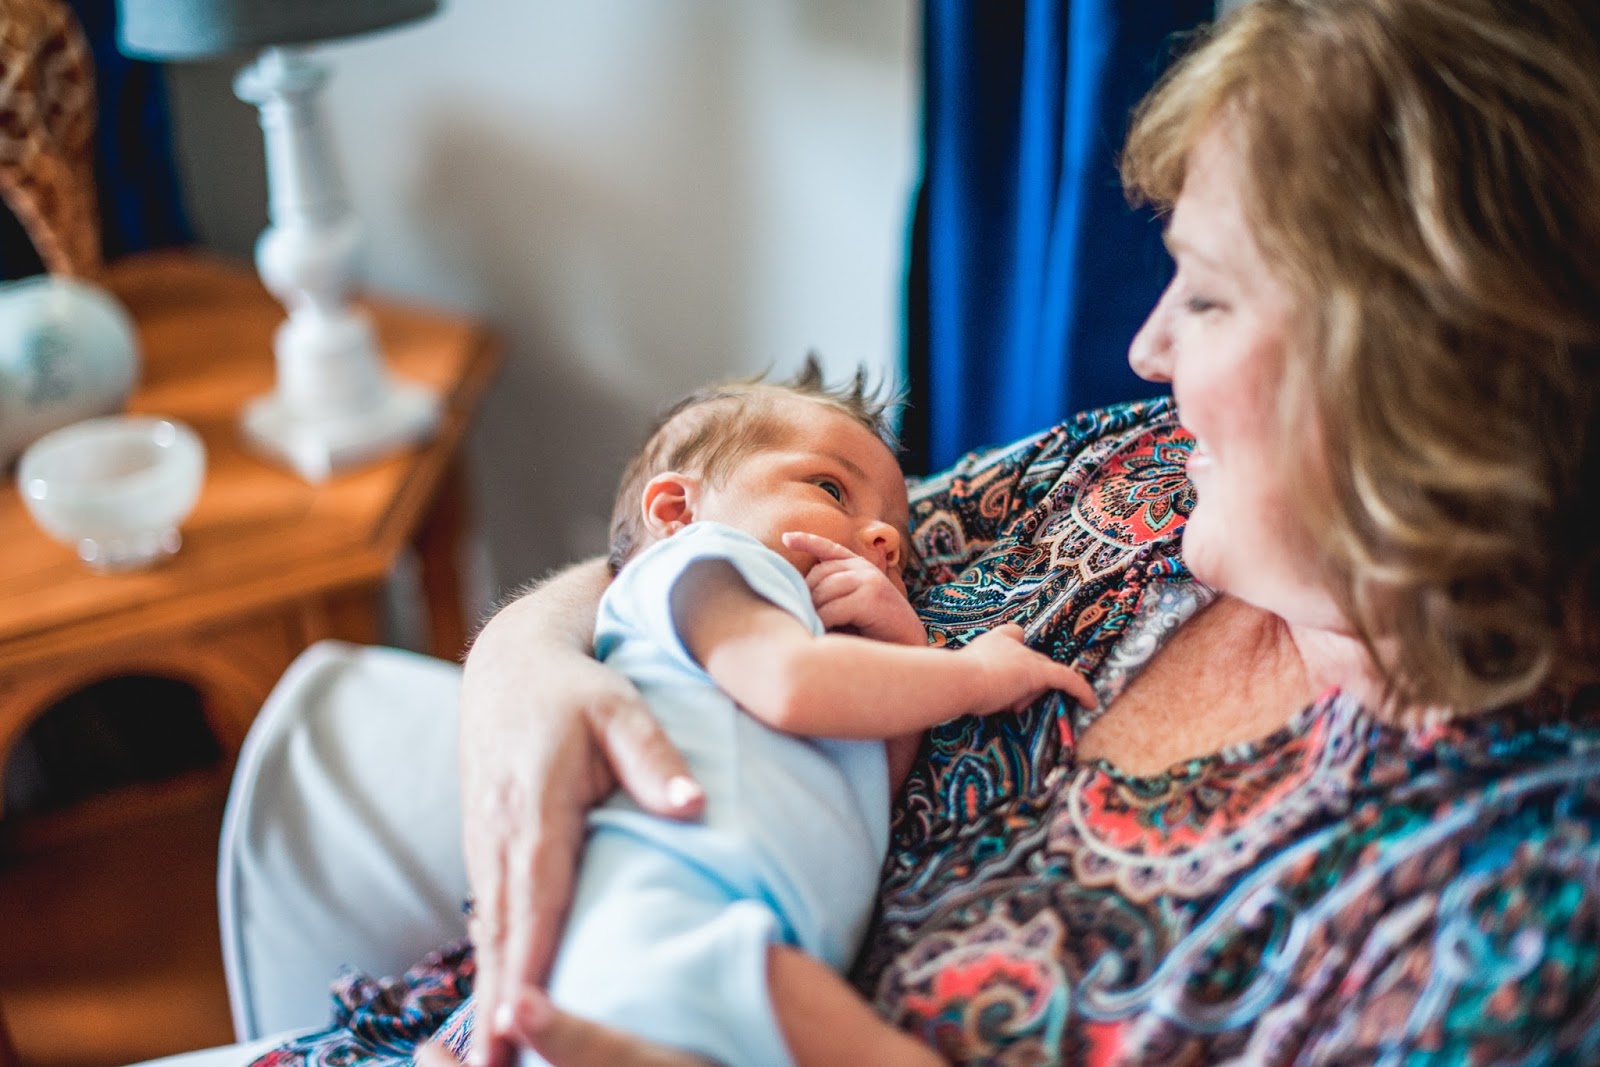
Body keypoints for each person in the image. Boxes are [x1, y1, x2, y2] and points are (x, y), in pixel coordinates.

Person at [258, 0, 1600, 1062]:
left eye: (1209, 296)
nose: (1145, 348)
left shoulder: (1513, 905)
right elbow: (697, 558)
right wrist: (522, 667)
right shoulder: (1133, 479)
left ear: (1427, 370)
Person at [469, 361, 1090, 1066]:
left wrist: (902, 646)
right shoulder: (704, 564)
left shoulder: (800, 635)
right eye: (830, 488)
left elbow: (868, 791)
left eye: (897, 541)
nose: (882, 539)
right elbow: (789, 683)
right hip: (668, 934)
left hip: (694, 953)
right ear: (675, 510)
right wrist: (971, 673)